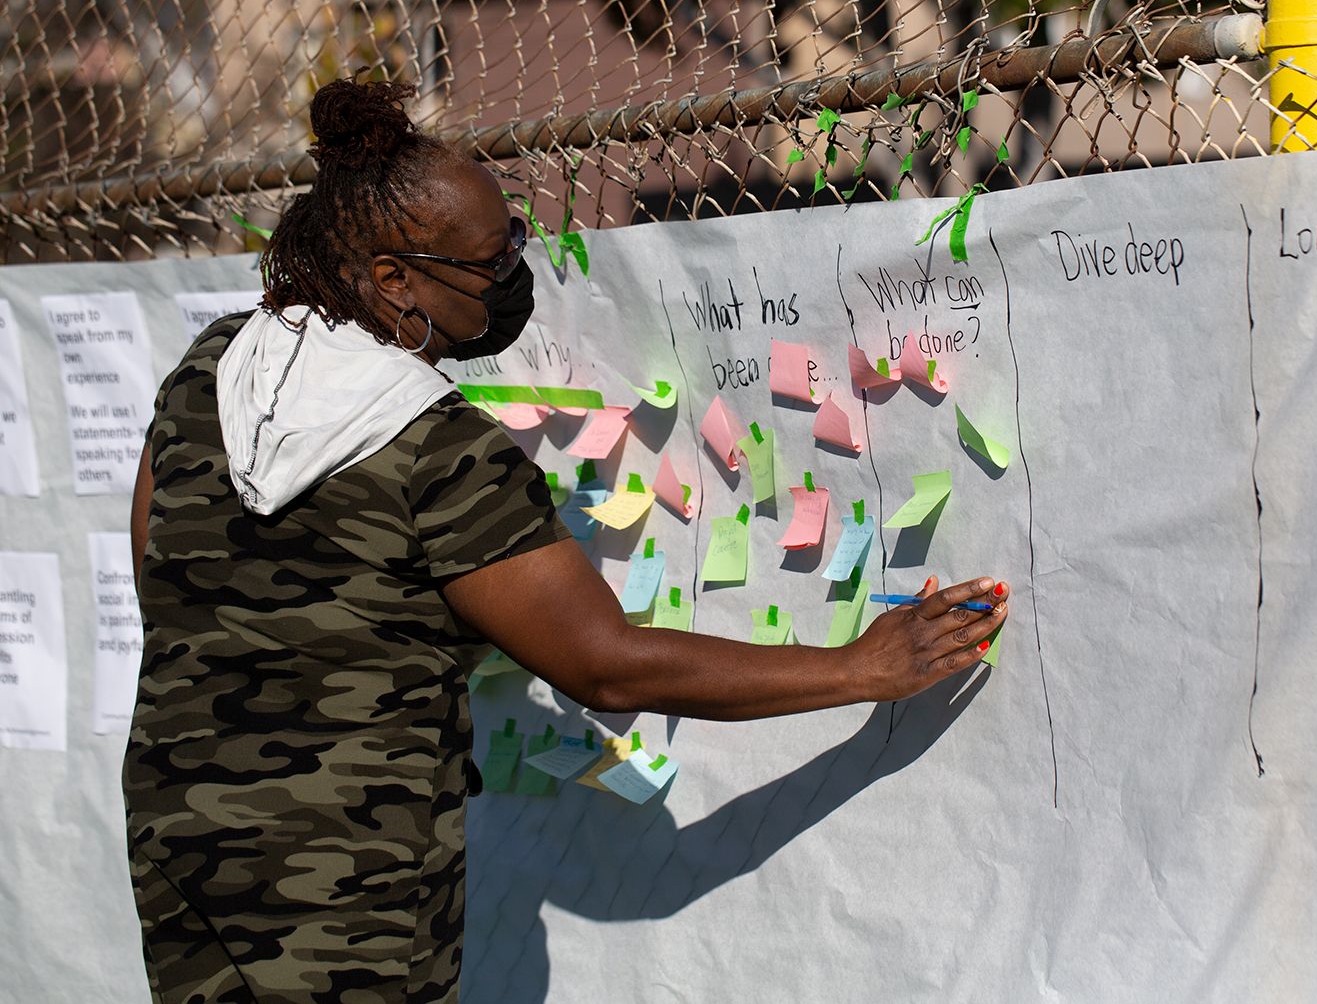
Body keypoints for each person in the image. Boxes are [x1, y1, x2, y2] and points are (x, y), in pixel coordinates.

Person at [122, 75, 1007, 1004]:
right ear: (393, 281)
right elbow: (606, 666)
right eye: (490, 260)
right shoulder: (437, 444)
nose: (514, 272)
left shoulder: (214, 368)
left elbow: (160, 561)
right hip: (343, 873)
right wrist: (855, 668)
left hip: (180, 837)